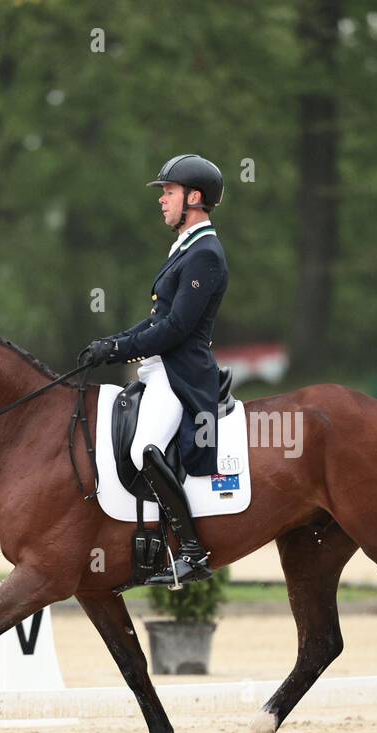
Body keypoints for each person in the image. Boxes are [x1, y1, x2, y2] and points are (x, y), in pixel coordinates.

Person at [84, 154, 229, 587]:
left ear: (195, 197)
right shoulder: (184, 248)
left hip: (180, 373)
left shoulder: (205, 254)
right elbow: (155, 321)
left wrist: (119, 349)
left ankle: (192, 550)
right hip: (158, 370)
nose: (162, 200)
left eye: (169, 192)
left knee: (143, 448)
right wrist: (113, 344)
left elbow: (176, 328)